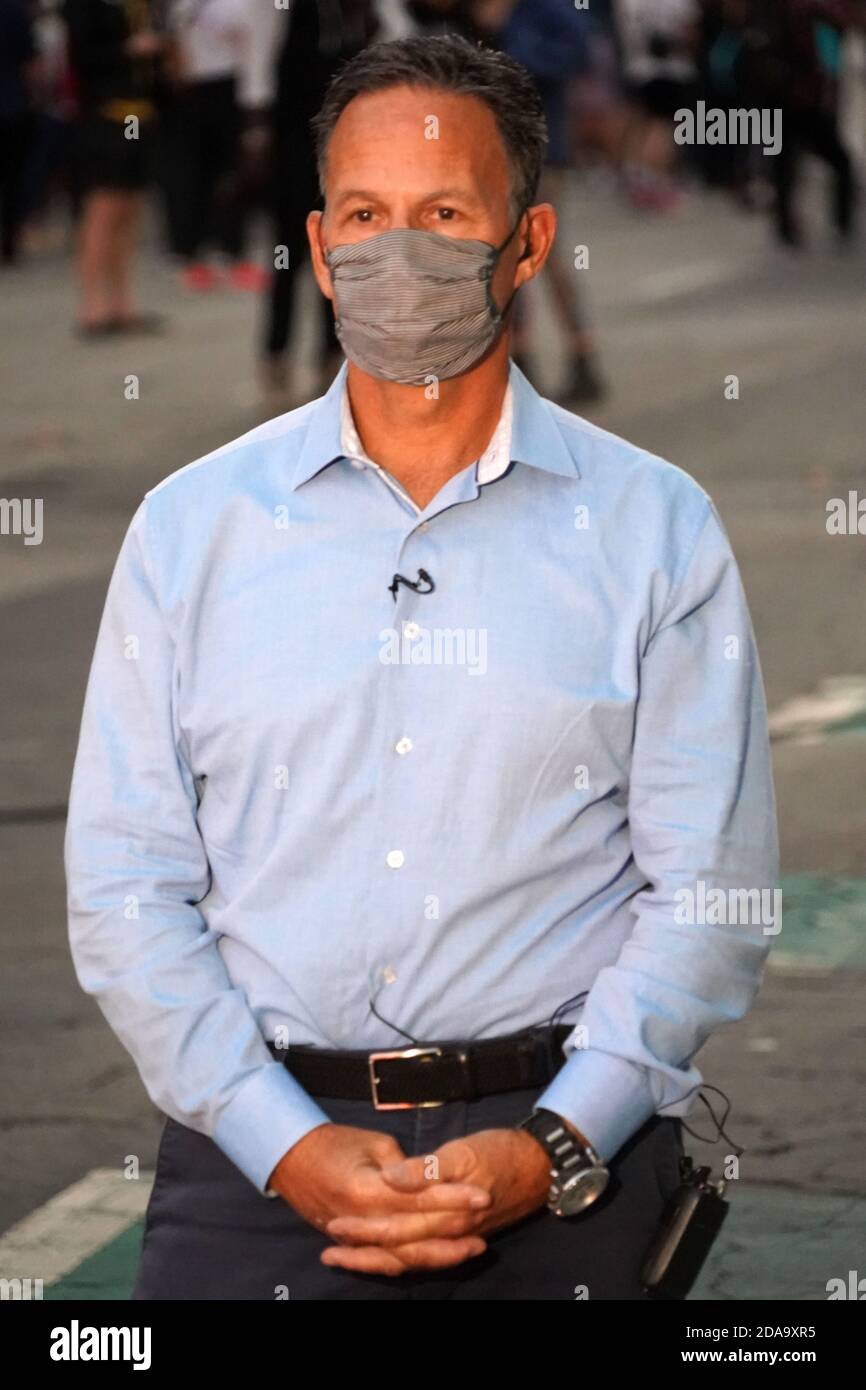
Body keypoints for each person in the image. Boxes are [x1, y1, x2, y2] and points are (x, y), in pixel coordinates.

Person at [66, 34, 778, 1301]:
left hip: (567, 1168)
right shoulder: (192, 530)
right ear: (320, 240)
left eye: (445, 213)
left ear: (528, 241)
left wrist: (556, 1141)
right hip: (255, 1178)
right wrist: (280, 1141)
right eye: (365, 215)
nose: (401, 257)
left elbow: (708, 895)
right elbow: (125, 885)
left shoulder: (651, 529)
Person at [64, 0, 167, 334]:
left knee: (129, 208)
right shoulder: (85, 8)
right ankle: (93, 307)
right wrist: (128, 49)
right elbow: (82, 57)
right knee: (103, 207)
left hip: (139, 113)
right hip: (104, 116)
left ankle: (122, 303)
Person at [159, 0, 266, 292]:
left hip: (230, 83)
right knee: (188, 174)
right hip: (187, 88)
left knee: (233, 172)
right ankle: (186, 251)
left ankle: (231, 251)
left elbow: (246, 30)